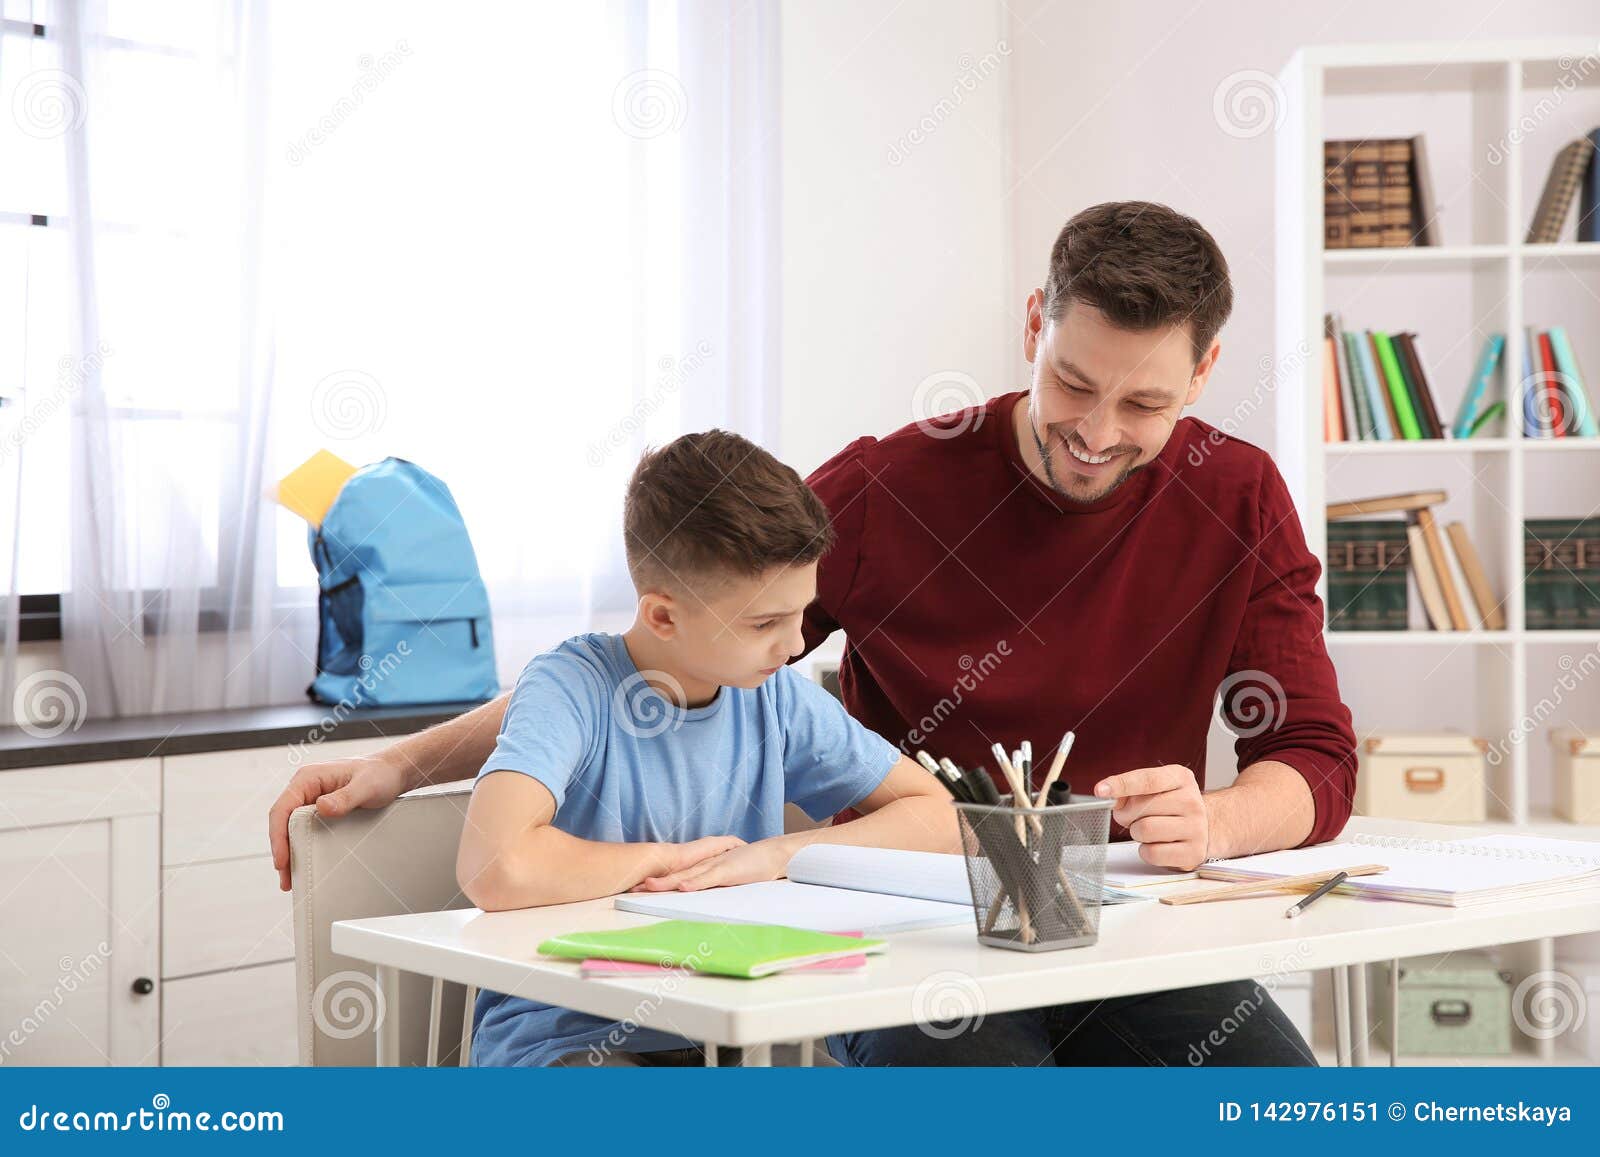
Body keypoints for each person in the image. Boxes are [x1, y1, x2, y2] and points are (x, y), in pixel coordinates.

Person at [269, 200, 1356, 1066]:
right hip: (915, 942)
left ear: (1203, 373)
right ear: (1035, 325)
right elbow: (665, 654)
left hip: (1128, 935)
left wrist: (1215, 820)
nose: (1097, 432)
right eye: (1073, 382)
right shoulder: (892, 485)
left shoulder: (1240, 495)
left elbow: (1313, 755)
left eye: (1145, 405)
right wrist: (406, 761)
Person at [459, 430, 955, 1065]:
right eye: (764, 623)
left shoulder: (774, 697)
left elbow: (940, 817)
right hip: (568, 1036)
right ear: (663, 617)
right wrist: (668, 862)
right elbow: (494, 867)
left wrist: (777, 855)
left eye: (800, 614)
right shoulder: (569, 686)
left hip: (725, 1035)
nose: (795, 645)